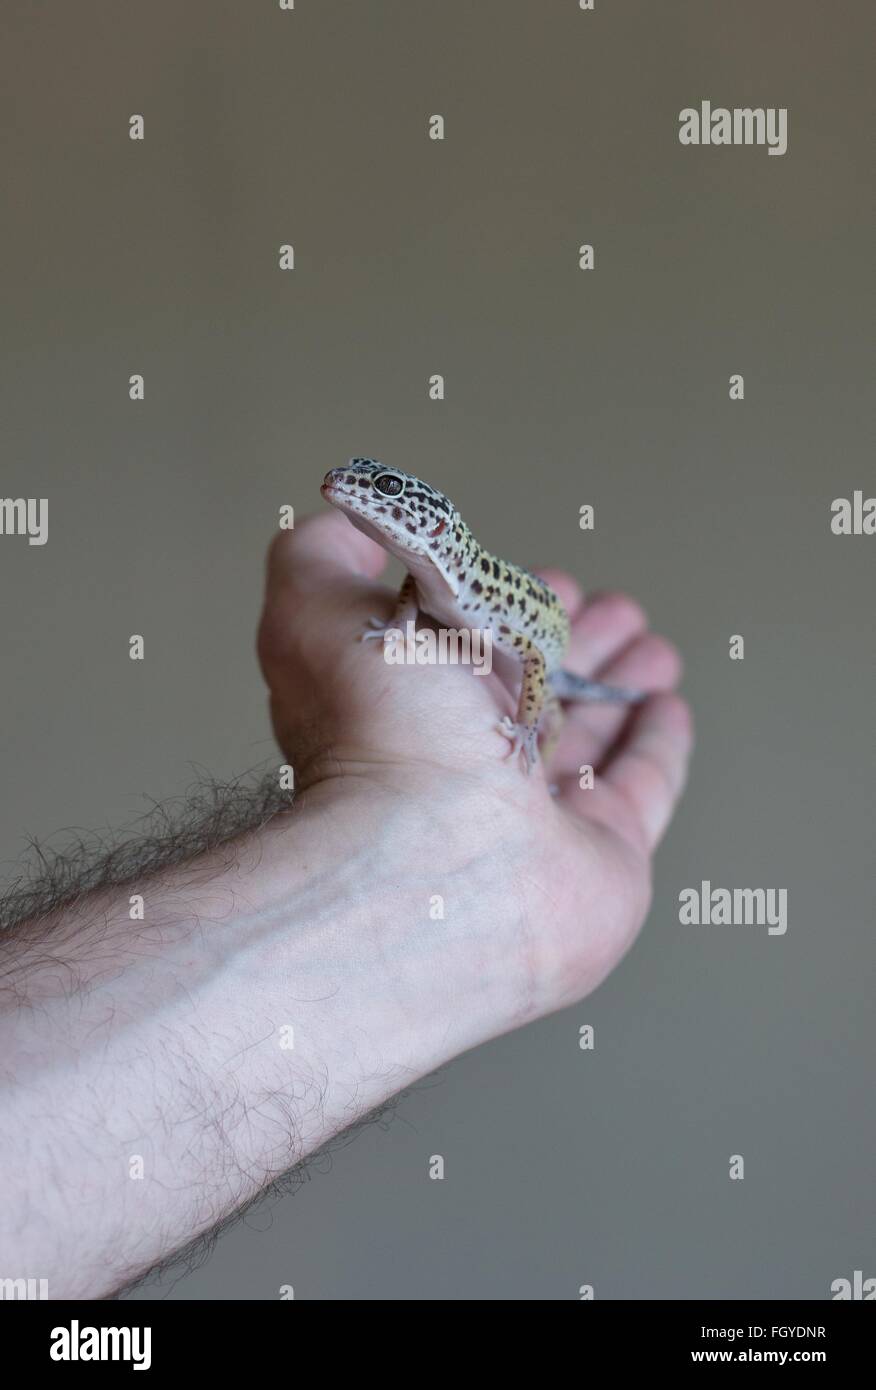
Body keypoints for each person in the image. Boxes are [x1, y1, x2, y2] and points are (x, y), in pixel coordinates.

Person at [0, 513, 692, 1299]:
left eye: (387, 496)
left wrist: (533, 733)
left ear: (432, 524)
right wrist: (399, 636)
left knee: (562, 692)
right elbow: (411, 592)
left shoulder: (480, 592)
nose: (362, 501)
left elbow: (534, 661)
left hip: (542, 660)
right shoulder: (427, 581)